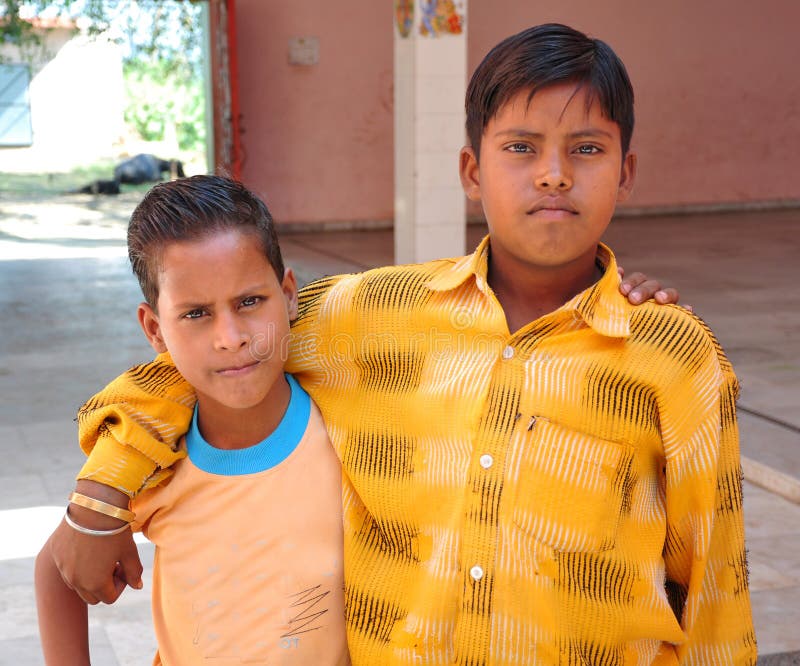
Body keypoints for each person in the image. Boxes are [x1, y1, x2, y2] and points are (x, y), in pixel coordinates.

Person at [44, 22, 756, 665]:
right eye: (520, 147)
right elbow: (204, 363)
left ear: (626, 174)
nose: (553, 174)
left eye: (587, 149)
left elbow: (716, 588)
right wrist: (98, 501)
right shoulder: (372, 316)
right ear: (471, 172)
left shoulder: (672, 354)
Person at [35, 176, 349, 665]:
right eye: (197, 313)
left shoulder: (346, 435)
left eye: (249, 302)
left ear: (288, 295)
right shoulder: (148, 463)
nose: (230, 337)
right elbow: (57, 568)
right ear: (155, 329)